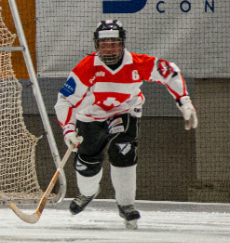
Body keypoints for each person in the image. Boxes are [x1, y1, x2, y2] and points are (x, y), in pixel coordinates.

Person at [55, 20, 198, 229]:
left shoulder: (137, 63)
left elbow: (169, 72)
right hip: (90, 116)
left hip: (125, 111)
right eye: (104, 44)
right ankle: (88, 193)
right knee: (86, 164)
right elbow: (65, 100)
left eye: (114, 43)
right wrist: (68, 129)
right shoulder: (86, 67)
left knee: (124, 153)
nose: (109, 49)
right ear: (97, 45)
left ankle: (126, 205)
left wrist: (184, 102)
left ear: (122, 44)